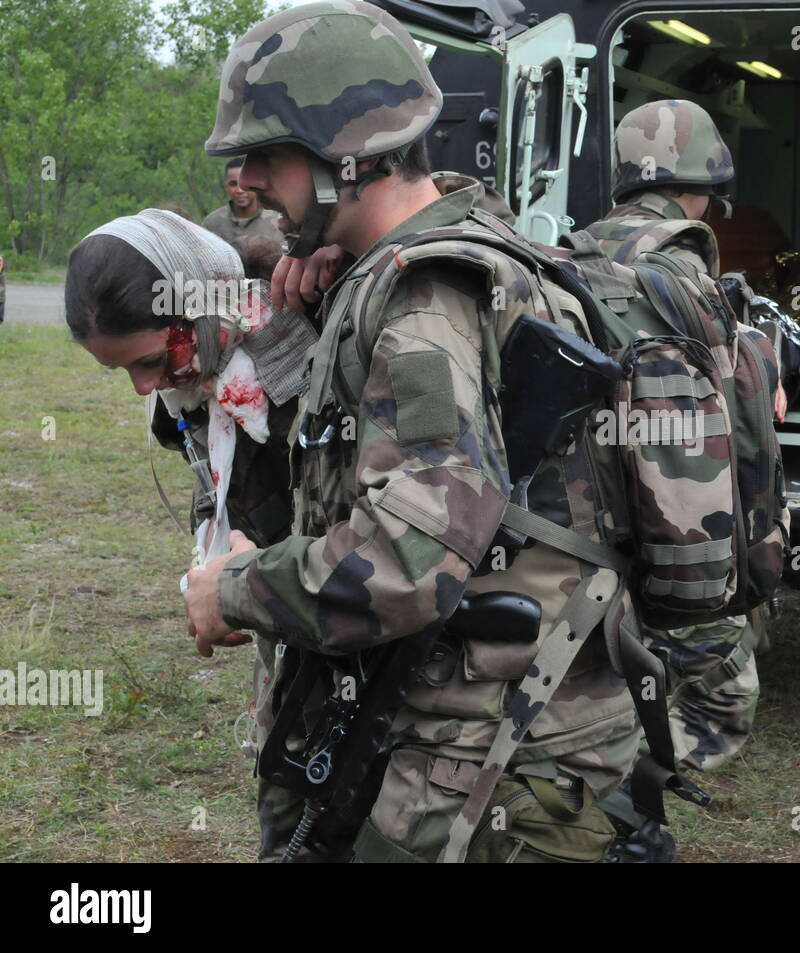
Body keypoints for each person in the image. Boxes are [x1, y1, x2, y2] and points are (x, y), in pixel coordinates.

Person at [185, 0, 640, 863]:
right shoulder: (459, 243)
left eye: (266, 154)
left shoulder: (426, 299)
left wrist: (235, 587)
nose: (245, 181)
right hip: (489, 728)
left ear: (346, 157)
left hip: (495, 757)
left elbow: (410, 559)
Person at [62, 207, 321, 860]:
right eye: (122, 370)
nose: (143, 387)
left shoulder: (312, 359)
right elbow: (219, 488)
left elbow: (370, 551)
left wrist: (243, 583)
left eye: (148, 360)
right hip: (294, 637)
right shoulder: (202, 365)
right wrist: (216, 559)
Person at [585, 99, 770, 861]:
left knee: (594, 687)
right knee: (719, 694)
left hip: (581, 547)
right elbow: (750, 446)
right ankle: (624, 811)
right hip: (679, 540)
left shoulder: (560, 259)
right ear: (706, 189)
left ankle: (613, 805)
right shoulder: (692, 284)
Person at [202, 158, 282, 246]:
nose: (239, 190)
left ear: (256, 185)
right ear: (226, 187)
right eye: (233, 184)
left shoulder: (279, 221)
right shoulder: (212, 222)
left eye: (245, 184)